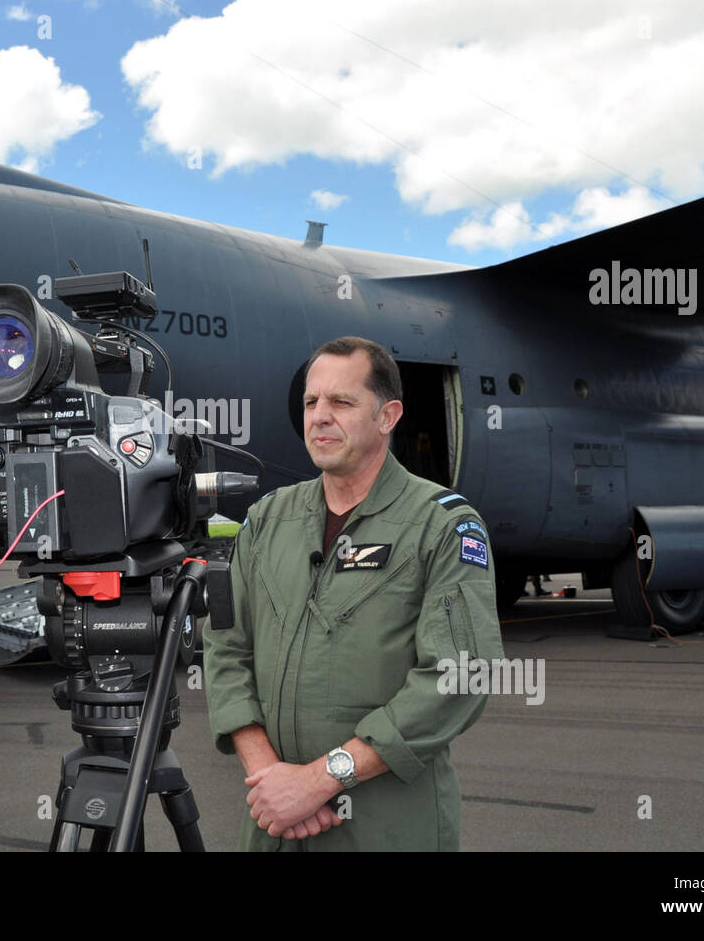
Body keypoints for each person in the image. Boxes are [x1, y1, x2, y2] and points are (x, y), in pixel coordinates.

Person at [203, 336, 504, 851]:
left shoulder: (440, 526)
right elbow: (226, 645)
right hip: (275, 823)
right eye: (310, 402)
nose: (320, 416)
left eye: (341, 402)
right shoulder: (267, 520)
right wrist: (270, 776)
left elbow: (457, 677)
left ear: (388, 416)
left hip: (385, 829)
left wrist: (319, 780)